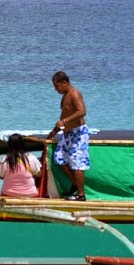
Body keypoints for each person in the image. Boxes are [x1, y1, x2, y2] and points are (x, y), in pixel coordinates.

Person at [48, 70, 88, 201]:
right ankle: (75, 184)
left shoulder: (74, 93)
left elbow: (82, 111)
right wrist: (54, 131)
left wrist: (64, 122)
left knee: (77, 163)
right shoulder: (65, 96)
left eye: (57, 86)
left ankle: (81, 195)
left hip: (78, 133)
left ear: (64, 82)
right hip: (68, 134)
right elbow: (64, 115)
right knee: (59, 158)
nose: (55, 89)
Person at [0, 133, 43, 198]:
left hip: (7, 193)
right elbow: (39, 174)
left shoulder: (4, 159)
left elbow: (0, 176)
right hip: (30, 194)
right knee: (42, 189)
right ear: (23, 144)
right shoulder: (31, 158)